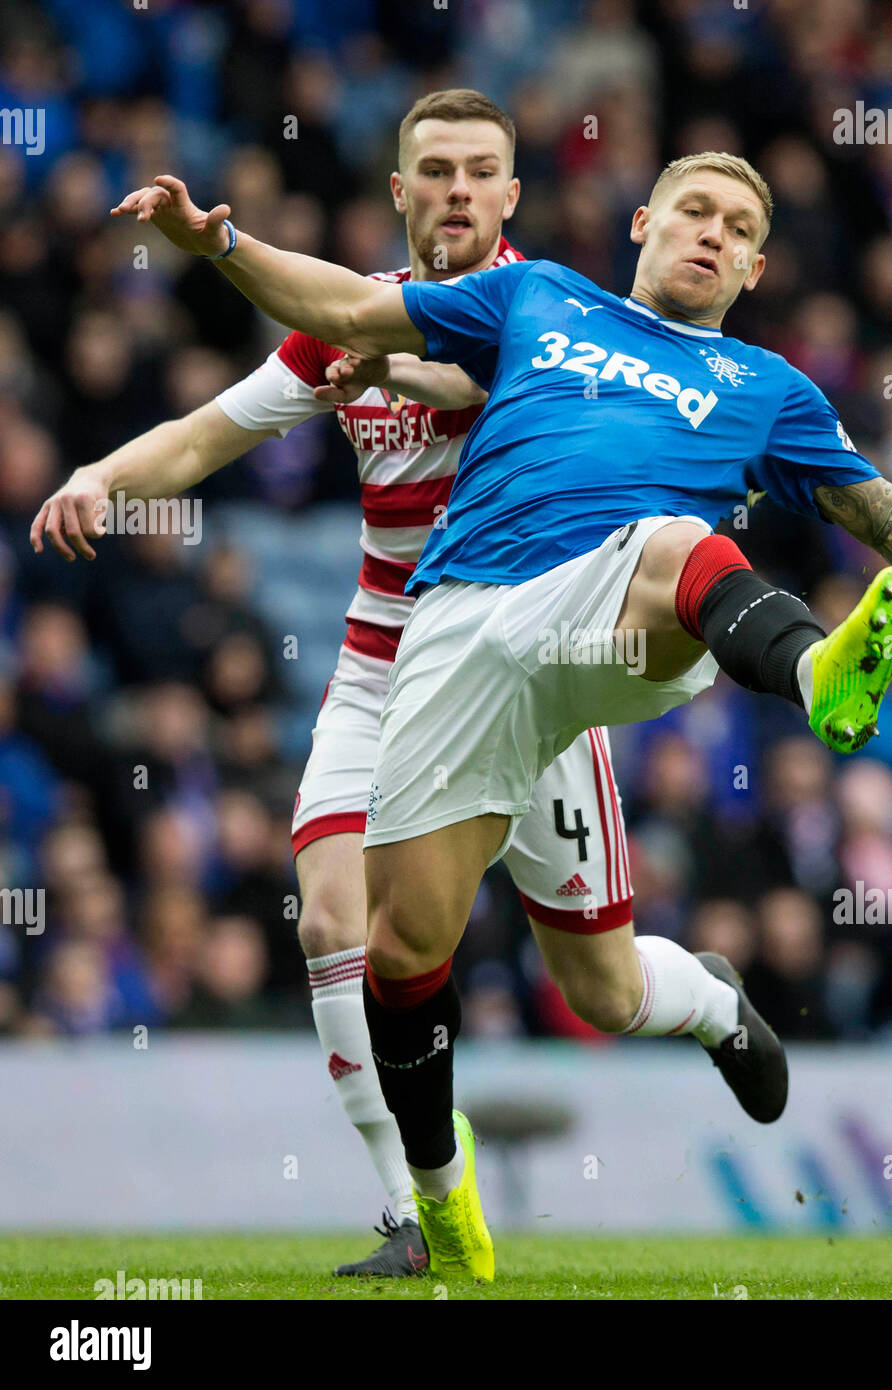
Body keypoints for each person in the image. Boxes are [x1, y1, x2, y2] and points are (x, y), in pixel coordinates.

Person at [109, 149, 892, 1282]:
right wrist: (220, 245)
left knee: (672, 543)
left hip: (618, 619)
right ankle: (467, 1175)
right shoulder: (534, 296)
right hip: (460, 632)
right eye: (693, 211)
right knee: (431, 959)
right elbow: (350, 308)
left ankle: (819, 678)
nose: (709, 232)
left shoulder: (767, 389)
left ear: (754, 266)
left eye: (737, 226)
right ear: (645, 221)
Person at [32, 90, 638, 1280]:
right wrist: (103, 471)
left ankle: (711, 1006)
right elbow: (208, 434)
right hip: (383, 666)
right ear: (400, 192)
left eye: (480, 172)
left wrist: (416, 365)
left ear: (512, 196)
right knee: (328, 918)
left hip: (530, 680)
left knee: (607, 986)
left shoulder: (556, 313)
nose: (458, 190)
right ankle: (411, 1210)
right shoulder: (340, 325)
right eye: (435, 171)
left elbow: (512, 388)